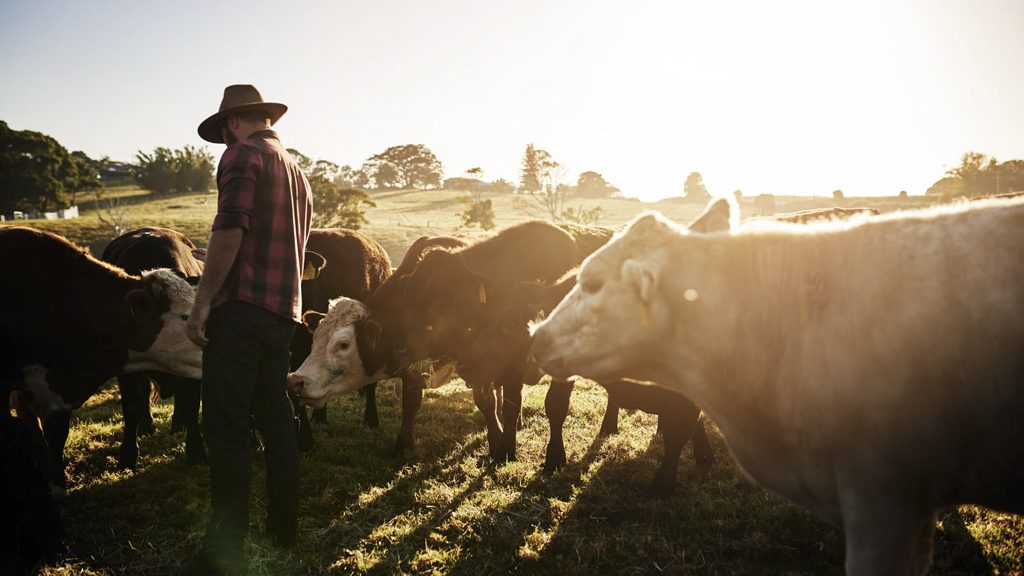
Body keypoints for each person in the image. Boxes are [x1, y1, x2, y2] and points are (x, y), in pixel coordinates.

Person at [183, 84, 312, 575]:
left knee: (226, 426)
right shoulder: (298, 171)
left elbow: (231, 227)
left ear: (235, 122)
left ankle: (224, 549)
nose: (224, 140)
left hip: (239, 311)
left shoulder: (241, 156)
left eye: (223, 131)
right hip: (283, 313)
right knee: (276, 420)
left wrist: (203, 302)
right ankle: (284, 530)